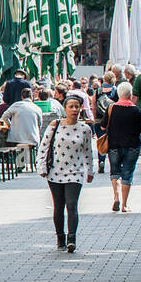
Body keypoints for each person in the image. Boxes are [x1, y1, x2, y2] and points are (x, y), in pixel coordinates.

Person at [38, 95, 95, 253]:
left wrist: (90, 170)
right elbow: (44, 147)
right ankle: (60, 238)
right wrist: (41, 167)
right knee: (58, 206)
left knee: (71, 205)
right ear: (65, 108)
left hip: (75, 172)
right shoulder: (55, 125)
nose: (74, 109)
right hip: (55, 171)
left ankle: (72, 239)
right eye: (71, 106)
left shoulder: (85, 129)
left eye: (77, 106)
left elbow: (88, 152)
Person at [103, 81, 141, 213]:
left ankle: (116, 197)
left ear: (118, 94)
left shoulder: (111, 108)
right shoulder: (136, 110)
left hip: (114, 145)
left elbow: (103, 126)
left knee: (115, 172)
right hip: (132, 146)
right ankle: (124, 205)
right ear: (130, 95)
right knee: (127, 174)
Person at [2, 87, 43, 166]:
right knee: (25, 144)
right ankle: (23, 163)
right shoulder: (37, 108)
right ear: (32, 97)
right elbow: (39, 124)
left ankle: (17, 163)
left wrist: (10, 126)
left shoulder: (16, 105)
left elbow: (4, 117)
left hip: (16, 138)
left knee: (8, 141)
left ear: (22, 97)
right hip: (32, 138)